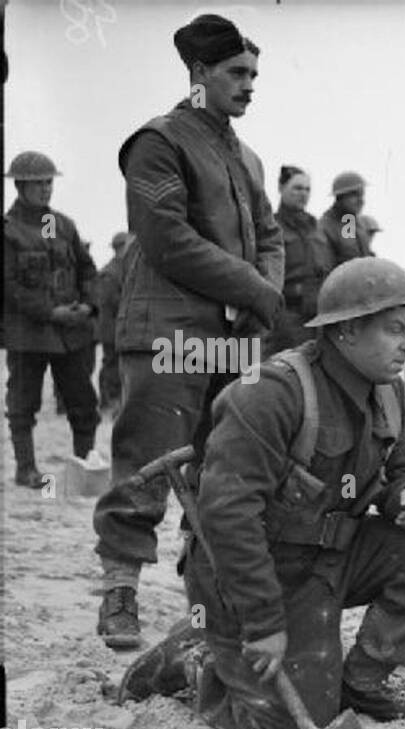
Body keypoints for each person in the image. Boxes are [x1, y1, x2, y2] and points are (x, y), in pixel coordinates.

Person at [118, 258, 405, 729]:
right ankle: (195, 656)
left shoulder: (390, 392)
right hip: (248, 575)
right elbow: (228, 516)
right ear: (346, 331)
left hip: (326, 564)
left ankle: (363, 681)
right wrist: (263, 623)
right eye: (395, 330)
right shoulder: (272, 393)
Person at [92, 13, 285, 649]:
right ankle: (120, 591)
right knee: (146, 467)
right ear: (200, 74)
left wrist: (266, 293)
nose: (250, 85)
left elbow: (271, 235)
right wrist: (254, 290)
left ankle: (200, 592)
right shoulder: (158, 140)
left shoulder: (246, 155)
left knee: (219, 469)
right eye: (237, 73)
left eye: (255, 73)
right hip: (168, 332)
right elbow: (167, 239)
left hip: (230, 341)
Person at [3, 150, 100, 486]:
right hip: (28, 334)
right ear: (20, 186)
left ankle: (84, 465)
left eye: (48, 182)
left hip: (70, 333)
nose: (46, 188)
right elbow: (9, 287)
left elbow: (87, 269)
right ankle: (26, 469)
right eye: (38, 183)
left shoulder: (63, 225)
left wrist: (88, 305)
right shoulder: (9, 231)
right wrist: (48, 312)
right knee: (23, 404)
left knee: (83, 403)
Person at [265, 165, 329, 355]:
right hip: (287, 315)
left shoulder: (316, 227)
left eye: (307, 189)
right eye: (297, 188)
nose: (304, 194)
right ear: (281, 188)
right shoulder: (271, 225)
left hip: (318, 315)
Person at [94, 230, 133, 416]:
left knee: (116, 366)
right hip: (111, 330)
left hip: (120, 328)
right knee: (111, 366)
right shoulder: (109, 272)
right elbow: (111, 300)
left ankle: (115, 402)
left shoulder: (123, 268)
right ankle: (108, 402)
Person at [319, 171, 372, 269]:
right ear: (340, 197)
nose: (360, 200)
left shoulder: (351, 222)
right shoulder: (325, 227)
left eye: (362, 195)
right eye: (354, 195)